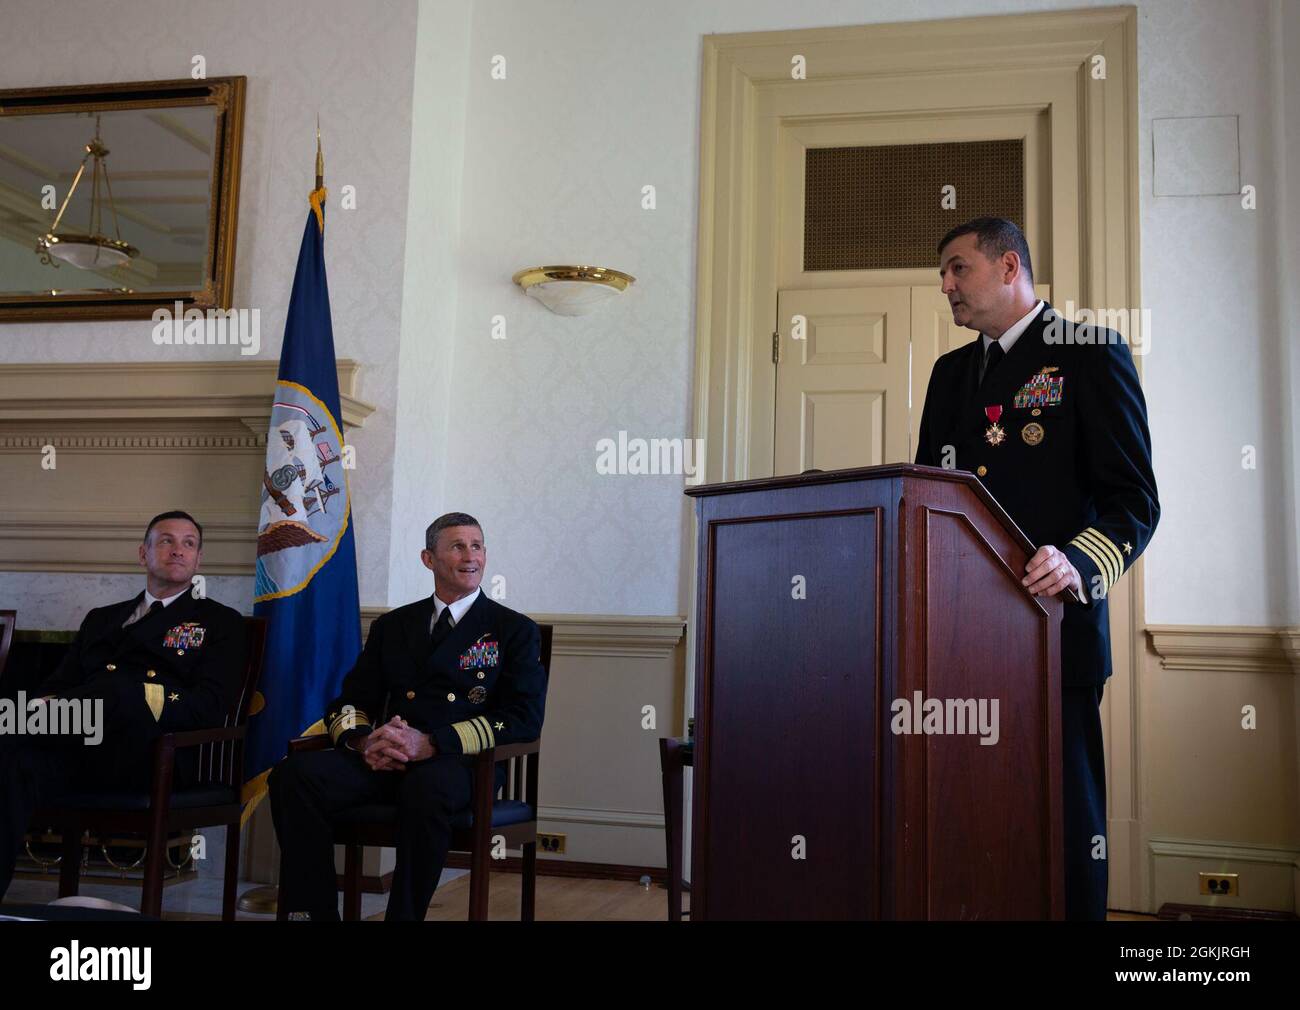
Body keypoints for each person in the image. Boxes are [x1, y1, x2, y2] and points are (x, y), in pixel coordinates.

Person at [914, 217, 1159, 920]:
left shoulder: (1089, 353)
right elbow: (936, 493)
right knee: (970, 815)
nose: (947, 286)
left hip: (1053, 634)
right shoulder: (950, 374)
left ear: (1010, 267)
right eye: (944, 274)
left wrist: (1080, 559)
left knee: (1063, 819)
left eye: (959, 268)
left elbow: (1134, 499)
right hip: (960, 639)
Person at [269, 511, 547, 921]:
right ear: (428, 559)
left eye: (477, 546)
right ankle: (314, 913)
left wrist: (432, 743)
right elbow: (349, 702)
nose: (470, 556)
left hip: (464, 766)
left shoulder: (513, 630)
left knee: (427, 787)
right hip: (388, 759)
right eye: (457, 546)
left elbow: (524, 718)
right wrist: (365, 742)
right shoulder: (393, 626)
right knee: (293, 776)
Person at [0, 510, 247, 899]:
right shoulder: (102, 619)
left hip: (151, 755)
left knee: (116, 691)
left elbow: (209, 707)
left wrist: (132, 697)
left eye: (189, 544)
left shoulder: (220, 623)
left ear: (199, 559)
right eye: (166, 540)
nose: (178, 551)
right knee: (14, 765)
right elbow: (56, 686)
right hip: (78, 751)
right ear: (142, 553)